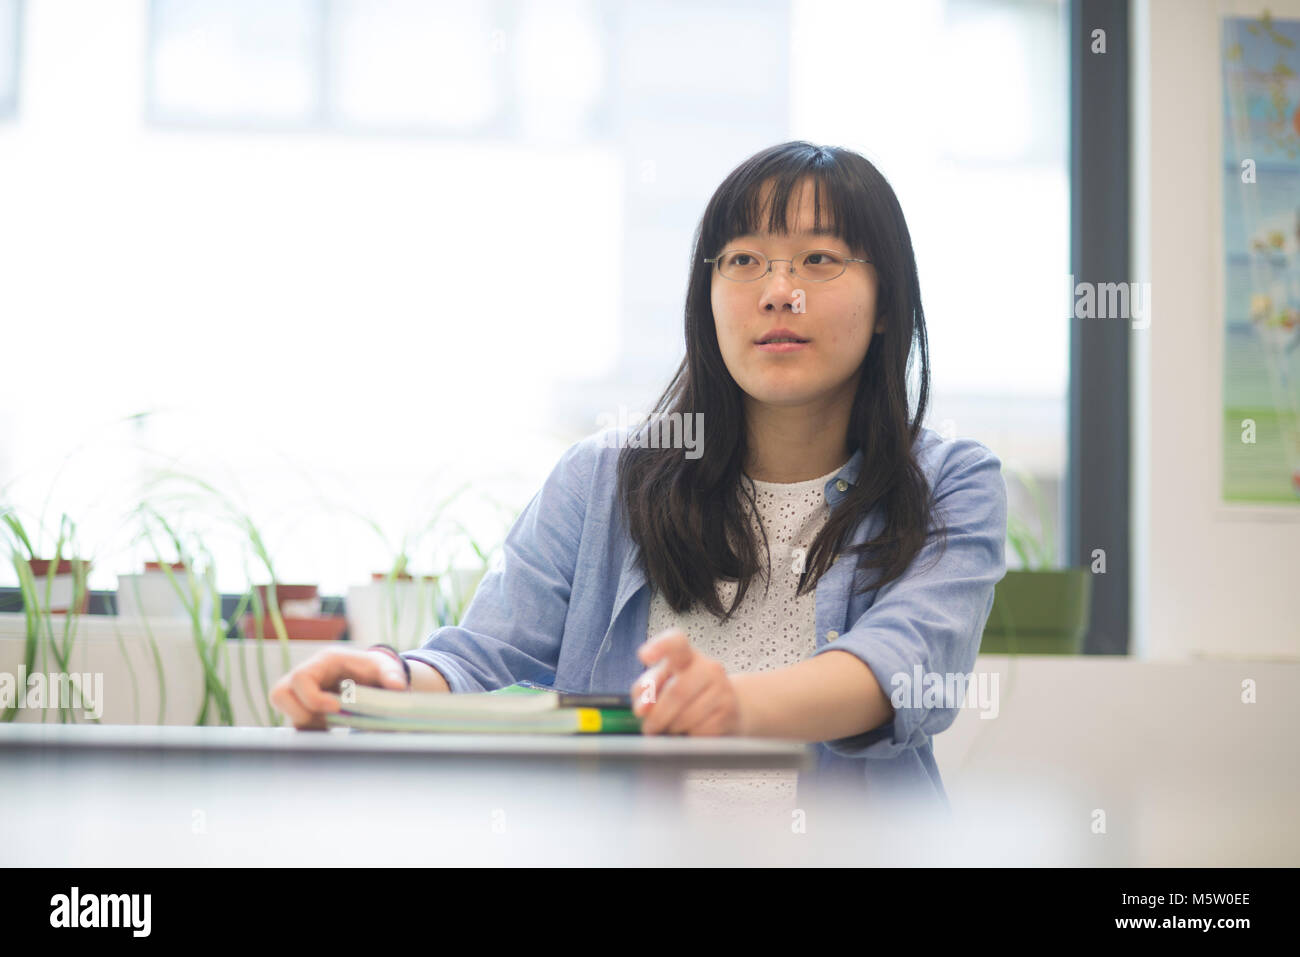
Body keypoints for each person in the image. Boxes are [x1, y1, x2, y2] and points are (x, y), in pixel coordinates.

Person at [270, 140, 1008, 811]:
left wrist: (732, 705)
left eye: (819, 259)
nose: (779, 290)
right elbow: (488, 657)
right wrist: (388, 680)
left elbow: (904, 668)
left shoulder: (949, 481)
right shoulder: (603, 479)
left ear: (887, 304)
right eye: (744, 260)